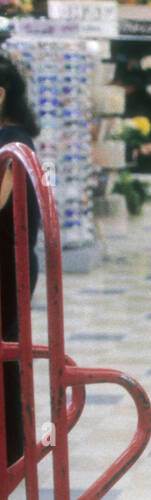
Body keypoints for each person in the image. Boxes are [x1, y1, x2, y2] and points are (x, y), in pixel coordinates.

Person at [0, 51, 41, 467]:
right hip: (12, 259)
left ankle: (11, 448)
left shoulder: (12, 144)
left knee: (7, 352)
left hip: (7, 264)